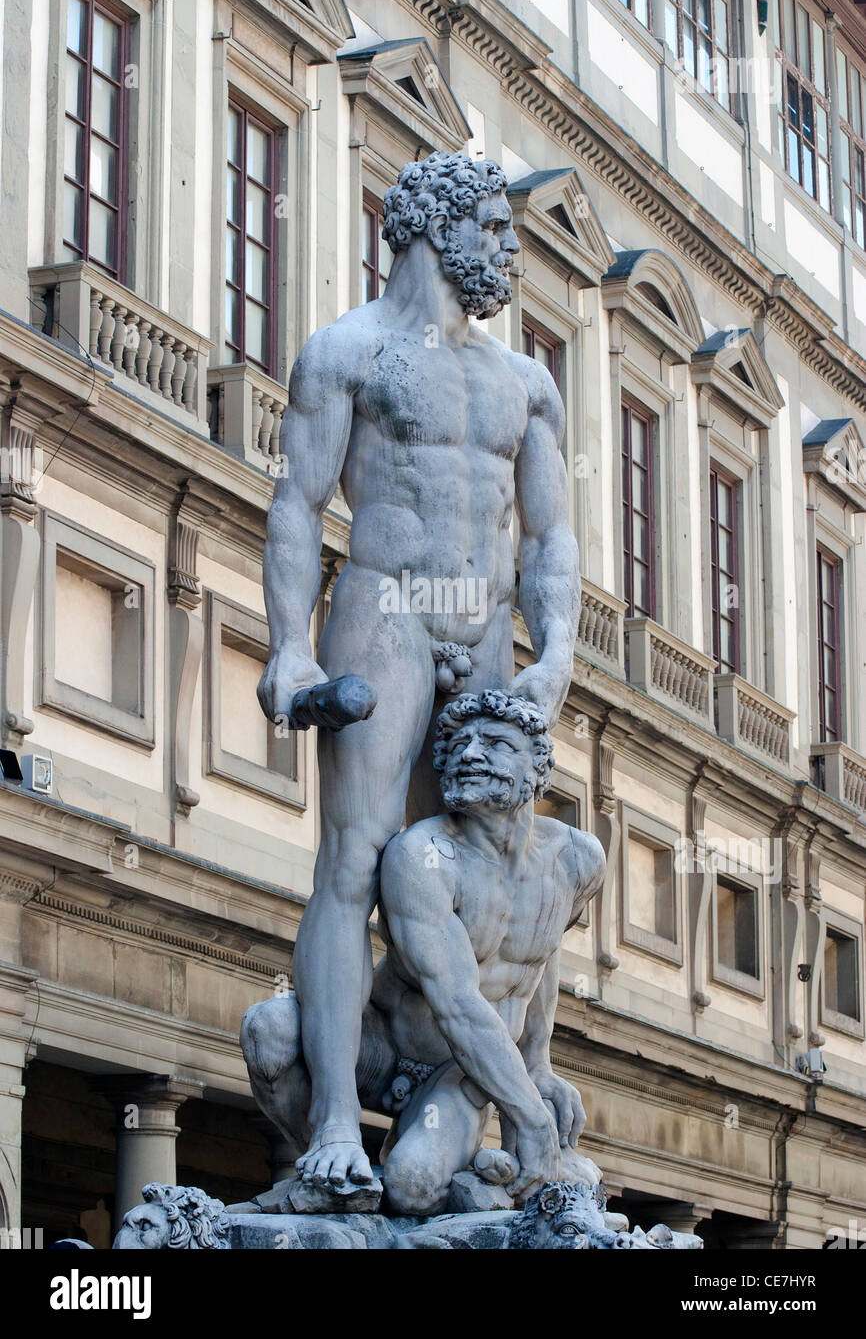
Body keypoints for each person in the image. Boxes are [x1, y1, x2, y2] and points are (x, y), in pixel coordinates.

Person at [256, 151, 581, 1191]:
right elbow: (298, 506)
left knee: (477, 876)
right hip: (386, 610)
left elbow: (549, 541)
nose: (508, 246)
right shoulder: (346, 352)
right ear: (433, 225)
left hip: (481, 634)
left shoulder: (525, 384)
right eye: (491, 224)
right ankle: (337, 1126)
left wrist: (556, 659)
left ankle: (474, 1103)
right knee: (353, 863)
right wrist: (291, 646)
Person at [242, 691, 605, 1213]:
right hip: (380, 1050)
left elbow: (539, 959)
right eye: (459, 743)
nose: (471, 754)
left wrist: (538, 1065)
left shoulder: (577, 858)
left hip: (459, 1071)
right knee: (269, 1029)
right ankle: (334, 1175)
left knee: (413, 1186)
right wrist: (531, 1117)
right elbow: (456, 1002)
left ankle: (435, 1178)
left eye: (496, 744)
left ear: (538, 764)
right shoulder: (423, 856)